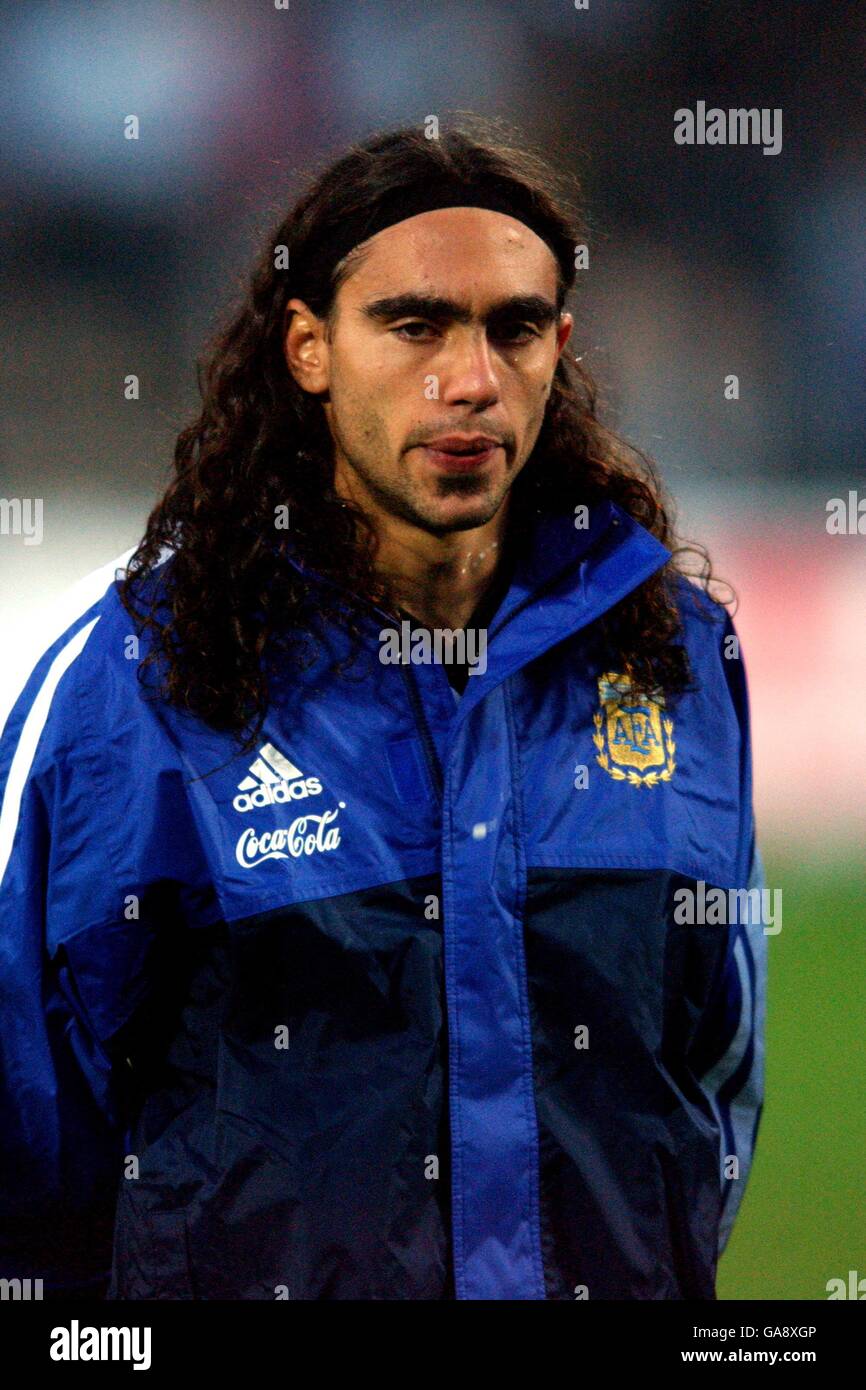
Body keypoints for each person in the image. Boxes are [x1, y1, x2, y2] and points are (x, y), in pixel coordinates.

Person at [0, 121, 766, 1301]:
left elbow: (713, 1074)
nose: (469, 380)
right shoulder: (137, 681)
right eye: (414, 326)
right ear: (308, 347)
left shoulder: (671, 652)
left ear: (559, 347)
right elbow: (29, 1120)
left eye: (513, 329)